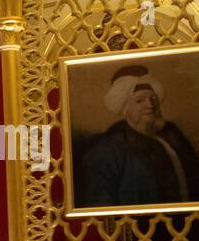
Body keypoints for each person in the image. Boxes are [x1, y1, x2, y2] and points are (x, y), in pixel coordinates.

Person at [76, 64, 199, 208]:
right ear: (125, 108)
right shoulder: (108, 148)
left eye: (153, 99)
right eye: (140, 100)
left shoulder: (172, 134)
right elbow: (100, 202)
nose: (150, 105)